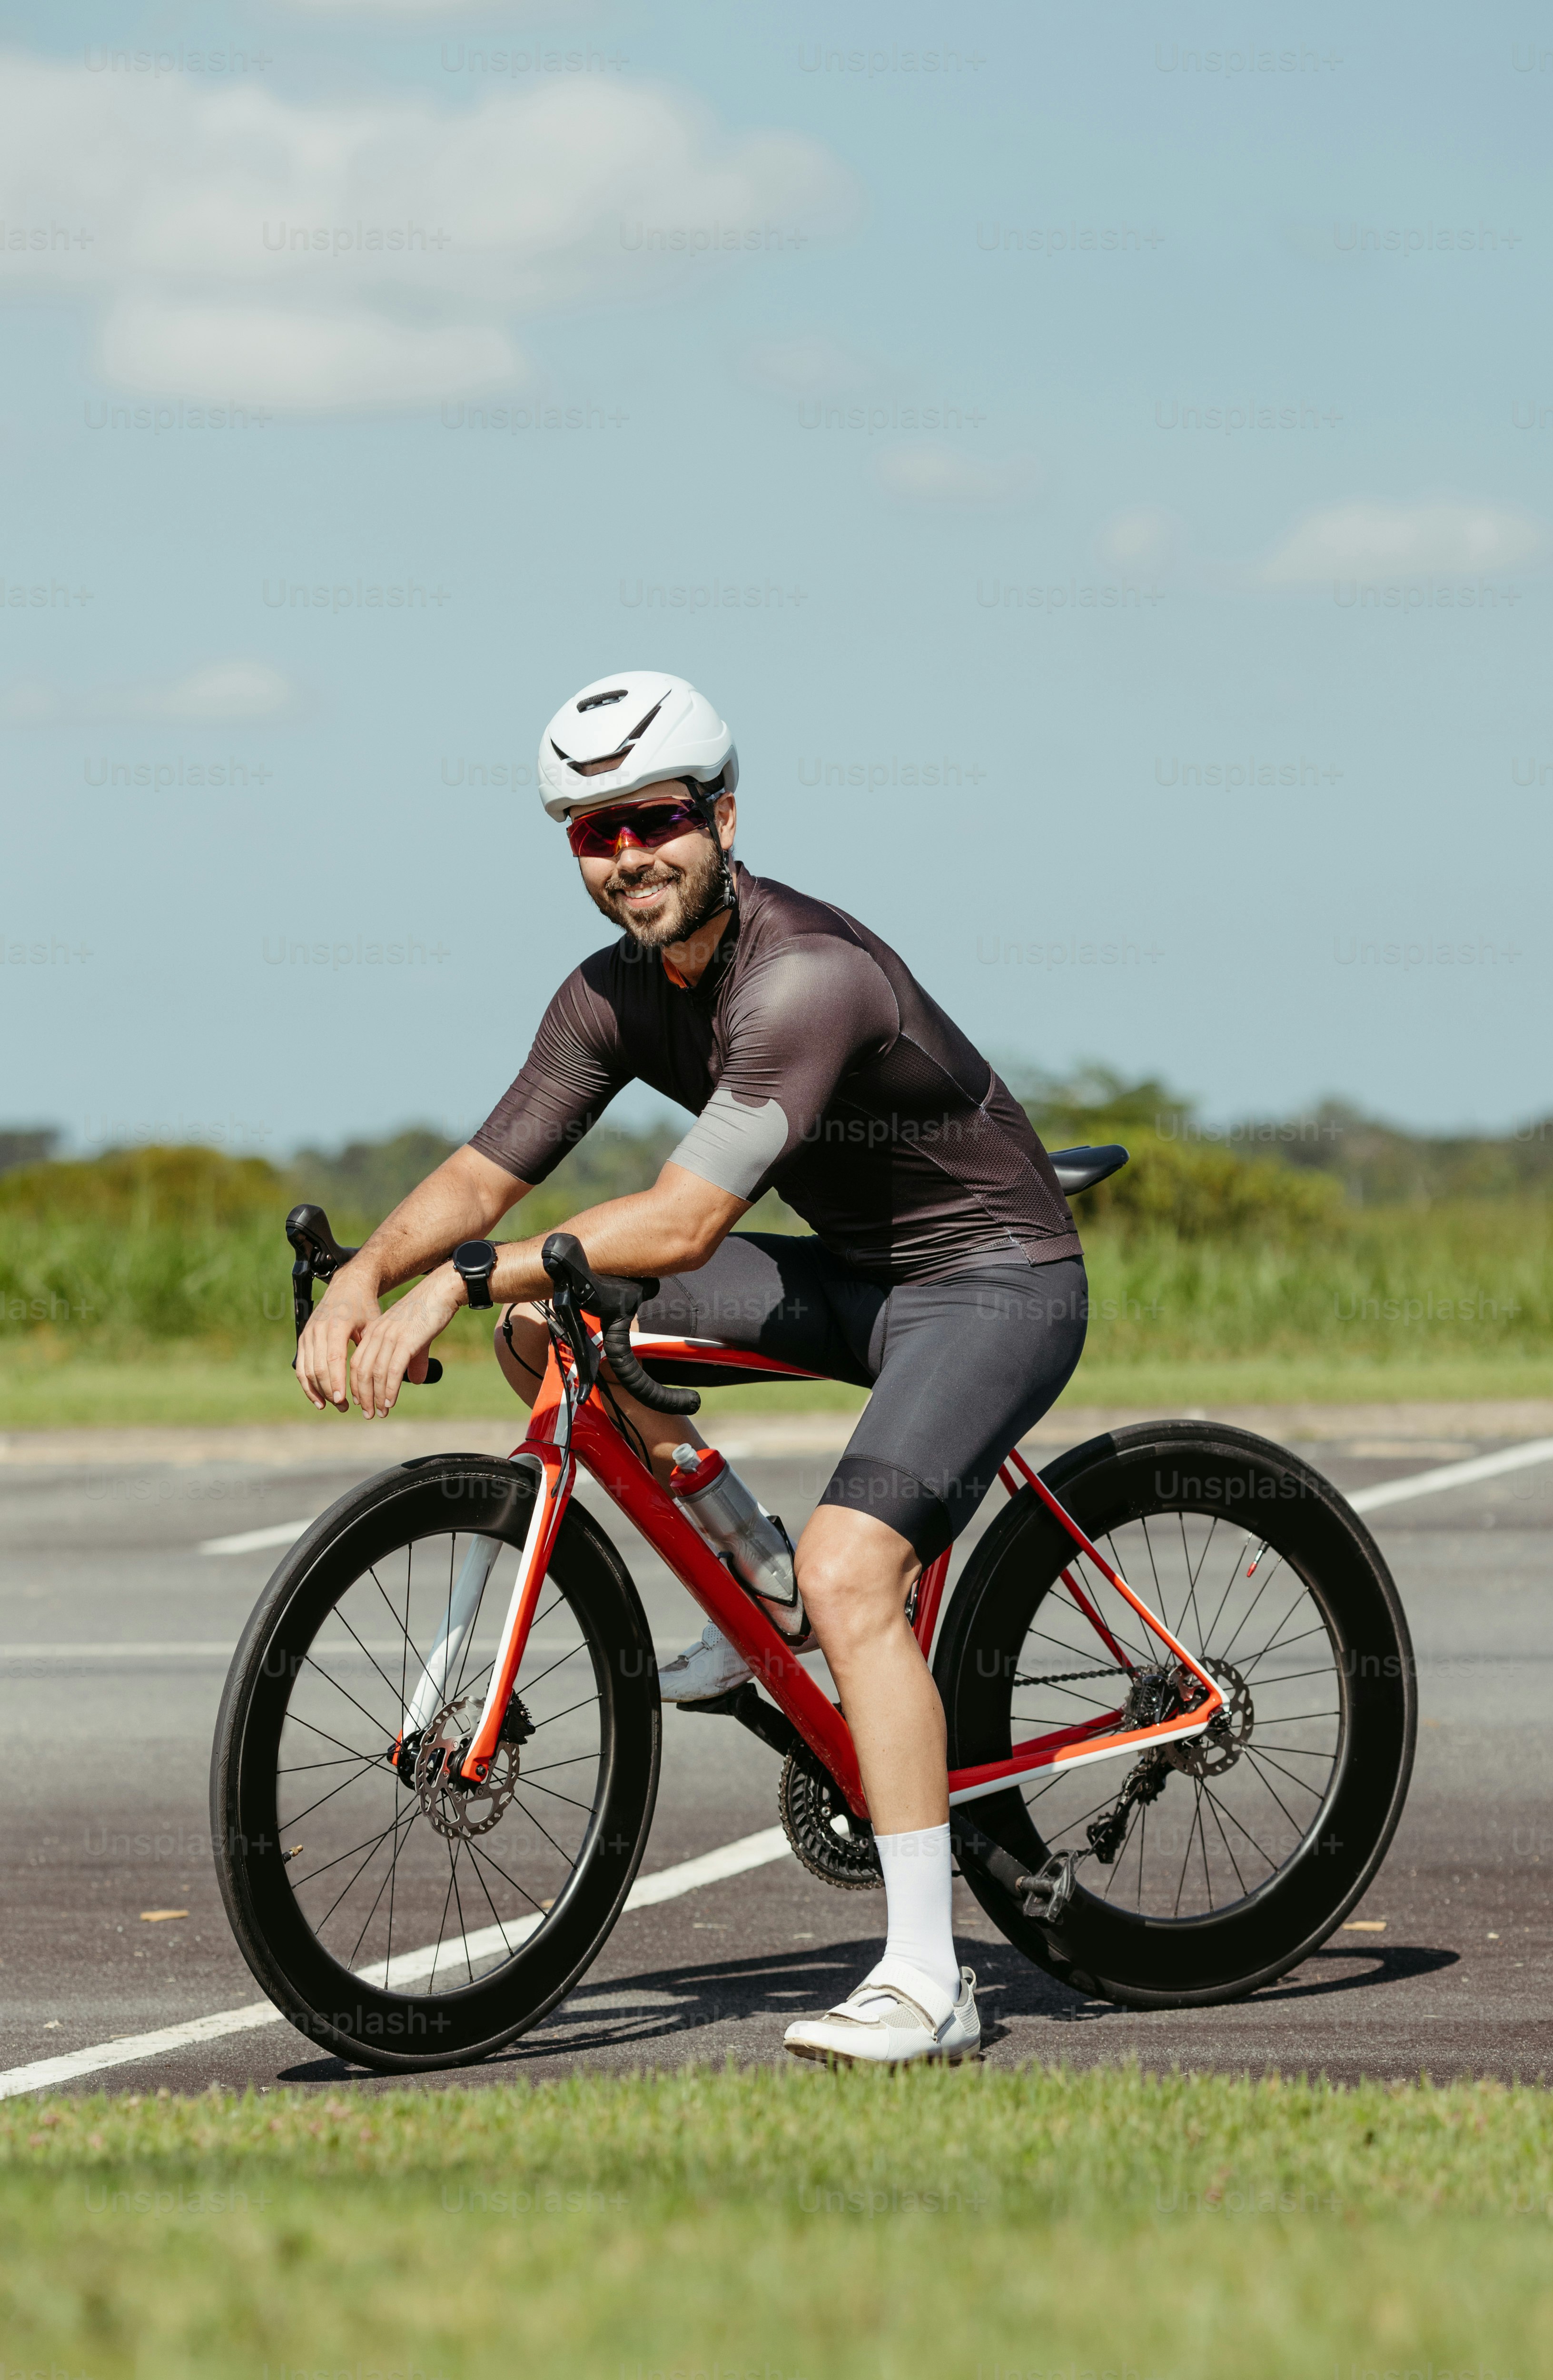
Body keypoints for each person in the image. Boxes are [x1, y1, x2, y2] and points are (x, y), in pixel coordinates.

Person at [293, 671, 1088, 2065]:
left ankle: (928, 1980)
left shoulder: (802, 975)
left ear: (724, 815)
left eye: (653, 820)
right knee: (548, 1327)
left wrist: (465, 1275)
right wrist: (369, 1272)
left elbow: (683, 1221)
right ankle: (752, 1579)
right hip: (854, 1279)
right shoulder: (609, 995)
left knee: (861, 1573)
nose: (627, 859)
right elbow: (490, 1171)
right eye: (592, 835)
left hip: (989, 1280)